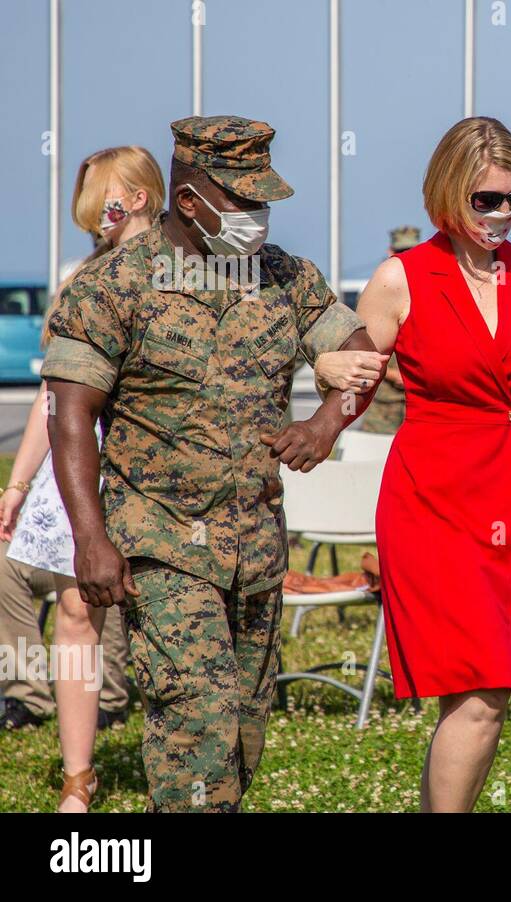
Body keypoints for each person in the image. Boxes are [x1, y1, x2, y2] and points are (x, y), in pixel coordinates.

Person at [40, 116, 380, 812]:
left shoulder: (285, 277)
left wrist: (324, 422)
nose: (258, 217)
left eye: (263, 202)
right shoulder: (114, 286)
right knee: (196, 717)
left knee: (242, 735)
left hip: (255, 547)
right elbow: (69, 414)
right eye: (243, 202)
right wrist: (90, 538)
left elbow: (366, 357)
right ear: (189, 202)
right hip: (160, 542)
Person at [356, 116, 511, 813]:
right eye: (485, 200)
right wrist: (312, 416)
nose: (503, 214)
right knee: (484, 688)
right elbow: (349, 384)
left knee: (486, 692)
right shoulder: (399, 278)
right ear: (448, 193)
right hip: (429, 496)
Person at [0, 146, 164, 811]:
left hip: (150, 468)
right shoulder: (79, 279)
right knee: (75, 606)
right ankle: (78, 775)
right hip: (79, 465)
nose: (94, 215)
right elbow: (53, 398)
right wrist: (16, 487)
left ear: (139, 199)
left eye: (105, 199)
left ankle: (182, 762)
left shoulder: (185, 276)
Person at [349, 226, 422, 433]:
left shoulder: (429, 289)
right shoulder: (378, 288)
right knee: (376, 455)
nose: (405, 257)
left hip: (418, 398)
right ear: (391, 252)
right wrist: (390, 374)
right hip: (384, 399)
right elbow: (361, 343)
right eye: (401, 252)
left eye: (411, 251)